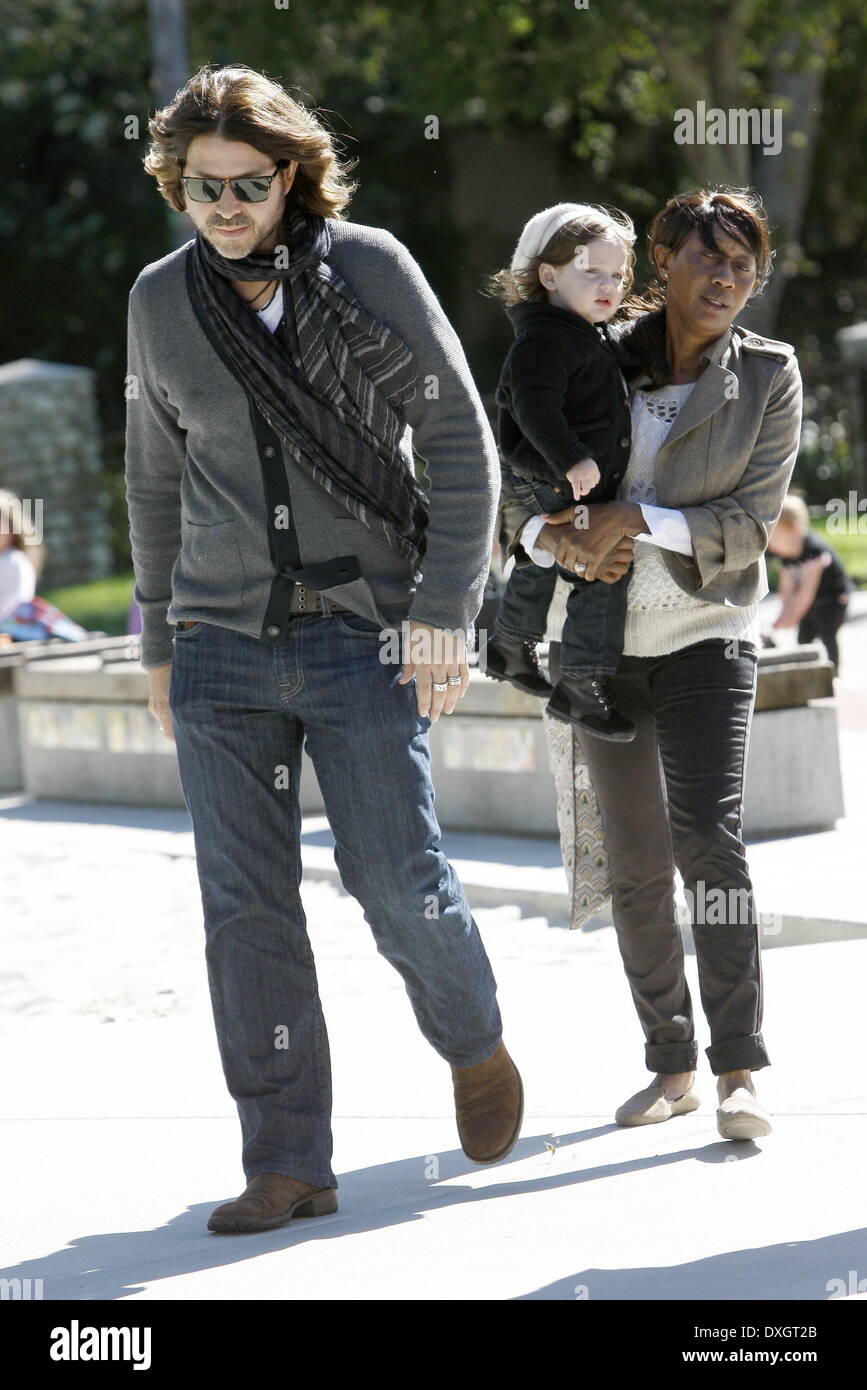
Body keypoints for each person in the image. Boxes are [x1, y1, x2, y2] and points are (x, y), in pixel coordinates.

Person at [125, 63, 522, 1235]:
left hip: (365, 637)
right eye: (204, 187)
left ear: (291, 176)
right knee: (245, 909)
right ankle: (288, 1159)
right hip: (218, 645)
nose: (227, 206)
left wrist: (447, 606)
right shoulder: (160, 300)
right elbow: (152, 473)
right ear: (177, 184)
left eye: (249, 184)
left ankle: (473, 1036)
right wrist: (156, 635)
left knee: (397, 883)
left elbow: (460, 440)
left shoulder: (368, 268)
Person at [499, 188, 804, 1141]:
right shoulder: (586, 346)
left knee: (709, 840)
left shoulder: (767, 376)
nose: (724, 281)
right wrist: (558, 540)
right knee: (634, 866)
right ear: (660, 260)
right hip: (597, 648)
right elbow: (516, 480)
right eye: (705, 258)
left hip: (704, 635)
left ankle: (739, 1069)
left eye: (743, 268)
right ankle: (668, 1065)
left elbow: (750, 523)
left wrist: (638, 520)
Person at [481, 203, 638, 740]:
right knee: (602, 570)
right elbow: (532, 406)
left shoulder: (579, 332)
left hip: (550, 475)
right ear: (548, 276)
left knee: (545, 554)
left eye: (617, 275)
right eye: (591, 271)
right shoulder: (547, 337)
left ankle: (509, 645)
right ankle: (580, 683)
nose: (609, 284)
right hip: (550, 471)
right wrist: (572, 456)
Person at [767, 493, 853, 674]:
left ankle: (832, 672)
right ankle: (807, 672)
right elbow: (787, 590)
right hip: (811, 602)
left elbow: (807, 591)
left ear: (793, 529)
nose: (770, 544)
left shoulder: (814, 551)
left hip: (833, 599)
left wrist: (791, 617)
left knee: (828, 634)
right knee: (804, 637)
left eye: (774, 537)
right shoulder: (787, 556)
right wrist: (783, 615)